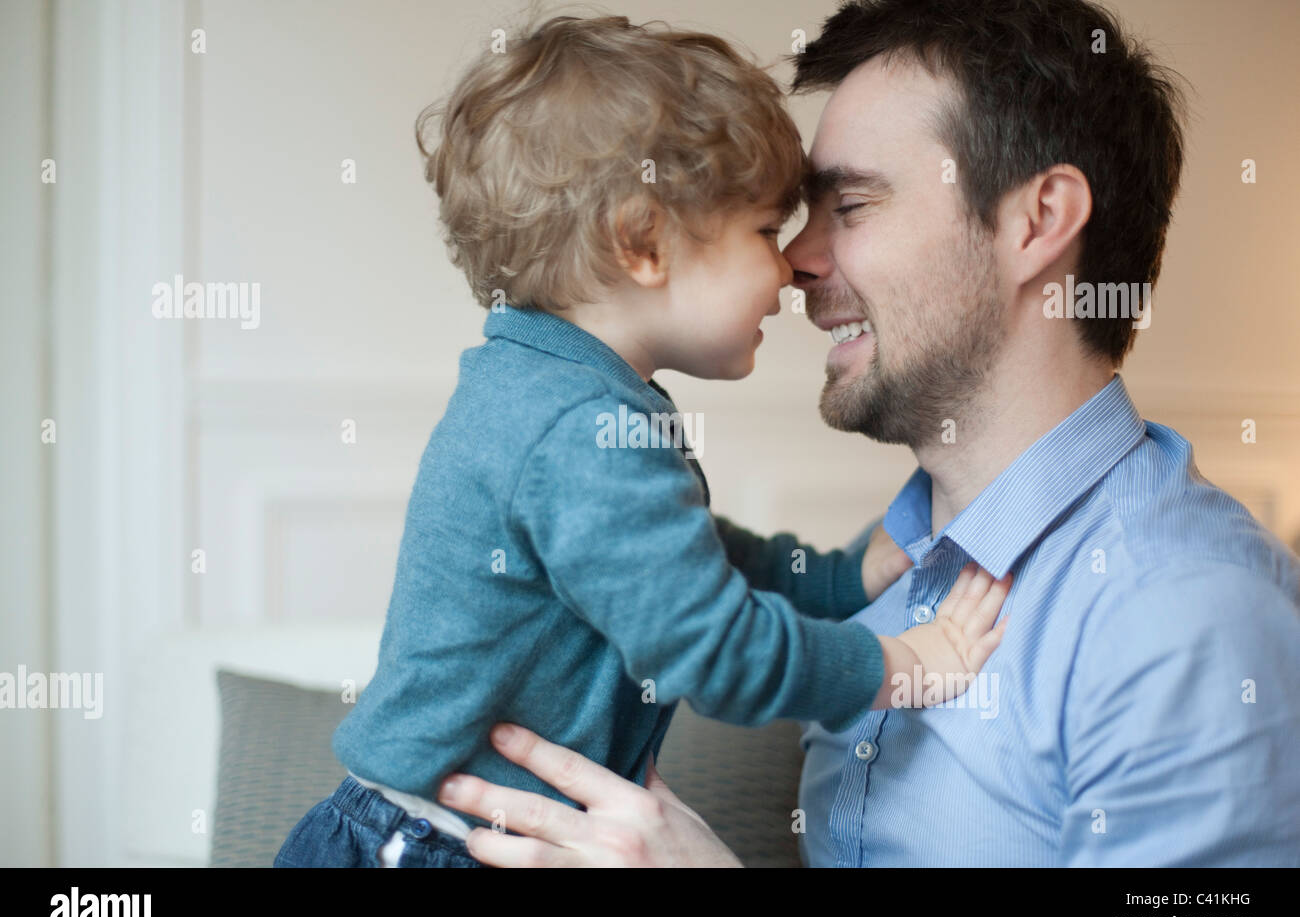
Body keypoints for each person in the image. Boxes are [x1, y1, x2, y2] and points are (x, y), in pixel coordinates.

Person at [434, 0, 1300, 867]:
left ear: (1036, 223)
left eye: (849, 204)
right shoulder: (884, 572)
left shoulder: (1189, 614)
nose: (795, 260)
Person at [272, 13, 1011, 870]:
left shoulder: (553, 388)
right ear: (642, 241)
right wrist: (901, 663)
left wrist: (842, 577)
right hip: (433, 850)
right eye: (766, 231)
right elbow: (717, 646)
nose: (789, 269)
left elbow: (691, 565)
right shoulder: (578, 428)